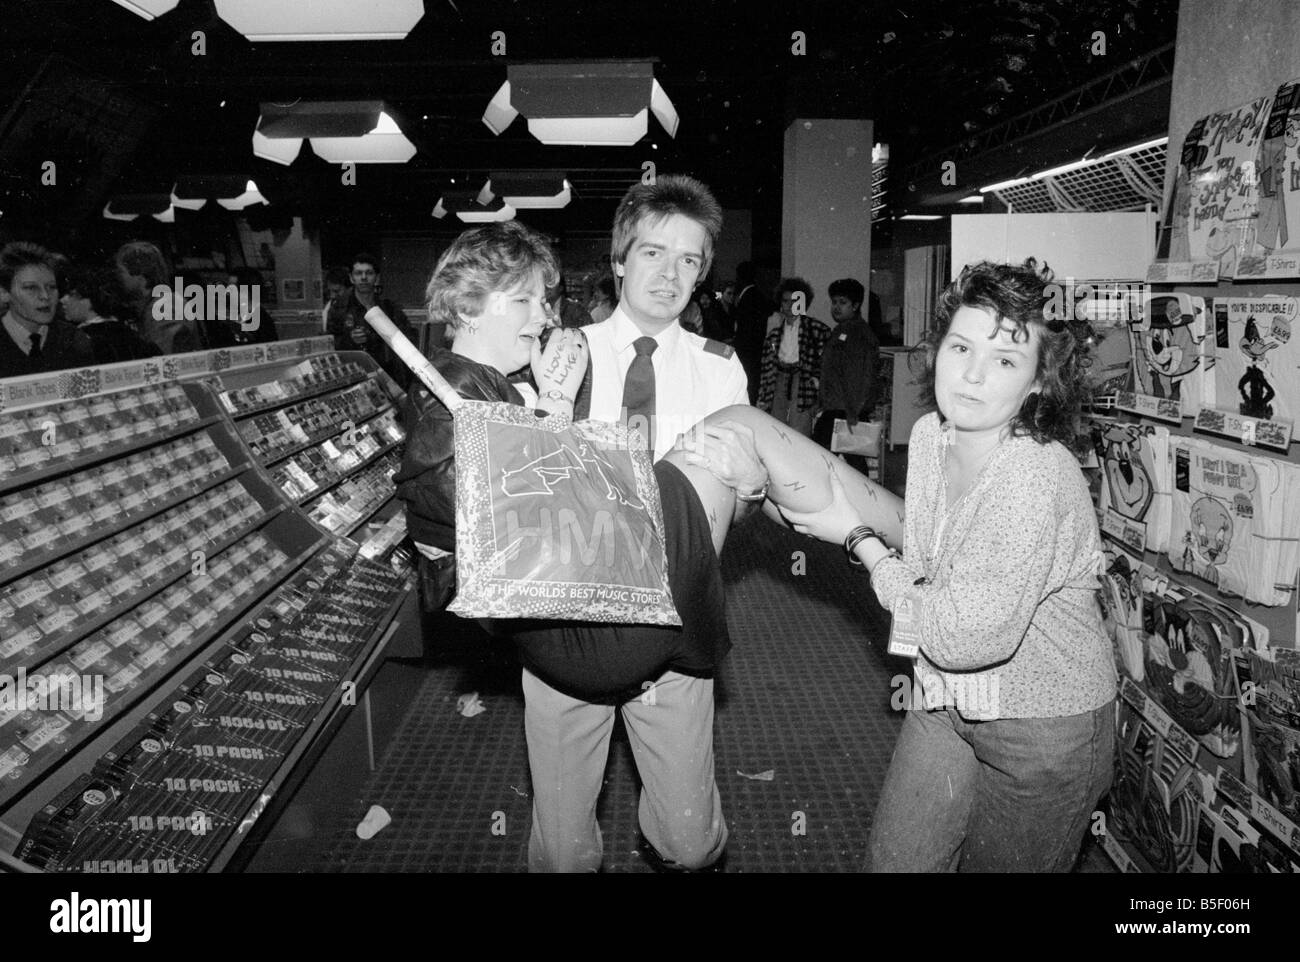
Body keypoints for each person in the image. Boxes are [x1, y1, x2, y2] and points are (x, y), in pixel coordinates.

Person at [396, 221, 903, 873]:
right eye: (522, 300)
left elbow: (532, 499)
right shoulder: (467, 386)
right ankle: (901, 535)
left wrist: (744, 496)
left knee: (683, 841)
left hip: (628, 601)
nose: (540, 317)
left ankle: (876, 537)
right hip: (588, 614)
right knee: (744, 431)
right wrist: (556, 404)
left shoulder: (513, 382)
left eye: (690, 262)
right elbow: (508, 522)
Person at [781, 259, 1118, 873]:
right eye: (961, 346)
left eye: (1006, 361)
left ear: (1038, 383)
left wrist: (858, 539)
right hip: (945, 693)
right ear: (937, 350)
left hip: (1040, 726)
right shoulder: (936, 436)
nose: (973, 374)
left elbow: (963, 635)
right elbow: (934, 564)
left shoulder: (1033, 477)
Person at [575, 174, 756, 480]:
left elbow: (733, 499)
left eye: (687, 261)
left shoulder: (719, 370)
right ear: (620, 260)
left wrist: (752, 485)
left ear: (699, 275)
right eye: (653, 253)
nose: (670, 273)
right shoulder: (570, 355)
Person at [813, 277, 882, 466]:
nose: (836, 307)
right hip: (837, 408)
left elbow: (861, 376)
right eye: (834, 302)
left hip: (847, 411)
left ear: (856, 305)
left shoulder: (859, 334)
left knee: (826, 460)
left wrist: (854, 412)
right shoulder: (841, 330)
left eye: (842, 303)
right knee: (849, 462)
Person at [0, 242, 93, 378]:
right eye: (31, 288)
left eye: (51, 287)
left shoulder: (74, 339)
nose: (45, 296)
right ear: (4, 293)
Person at [757, 277, 831, 437]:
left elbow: (825, 362)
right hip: (780, 378)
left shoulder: (817, 329)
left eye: (794, 301)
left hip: (803, 379)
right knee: (776, 427)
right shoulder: (774, 332)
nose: (789, 306)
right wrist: (763, 395)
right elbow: (766, 366)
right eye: (785, 301)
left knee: (800, 429)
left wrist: (817, 383)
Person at [325, 252, 413, 388]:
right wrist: (349, 339)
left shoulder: (389, 308)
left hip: (386, 376)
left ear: (376, 277)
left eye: (369, 273)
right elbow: (329, 343)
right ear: (351, 278)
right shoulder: (339, 308)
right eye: (358, 273)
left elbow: (406, 339)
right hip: (352, 376)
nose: (364, 278)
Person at [59, 264, 161, 365]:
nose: (63, 300)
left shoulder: (81, 341)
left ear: (90, 299)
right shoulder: (134, 336)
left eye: (71, 294)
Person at [115, 240, 200, 355]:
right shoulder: (154, 303)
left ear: (139, 274)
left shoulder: (165, 306)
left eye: (121, 271)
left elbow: (163, 358)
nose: (118, 277)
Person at [731, 261, 772, 404]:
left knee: (748, 385)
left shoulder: (750, 297)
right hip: (752, 350)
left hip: (748, 351)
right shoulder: (756, 295)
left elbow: (747, 329)